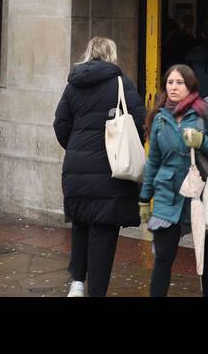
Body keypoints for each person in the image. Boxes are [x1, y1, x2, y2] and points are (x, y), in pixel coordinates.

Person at [52, 36, 145, 298]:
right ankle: (97, 291)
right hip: (110, 170)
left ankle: (77, 284)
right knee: (103, 232)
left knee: (81, 223)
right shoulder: (120, 83)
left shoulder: (73, 85)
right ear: (111, 54)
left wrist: (77, 149)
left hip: (76, 167)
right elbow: (139, 124)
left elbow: (60, 126)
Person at [140, 64, 208, 297]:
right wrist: (145, 197)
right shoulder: (160, 118)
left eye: (179, 83)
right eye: (170, 82)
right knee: (163, 257)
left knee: (207, 256)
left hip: (202, 194)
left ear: (190, 85)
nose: (173, 87)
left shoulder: (207, 112)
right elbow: (153, 161)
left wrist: (201, 141)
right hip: (168, 194)